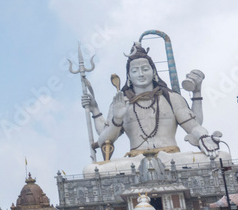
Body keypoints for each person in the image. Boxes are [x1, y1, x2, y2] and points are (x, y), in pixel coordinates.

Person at [81, 43, 219, 160]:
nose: (141, 74)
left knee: (220, 156)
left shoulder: (171, 97)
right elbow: (104, 140)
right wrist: (114, 117)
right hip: (136, 160)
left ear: (154, 72)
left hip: (171, 158)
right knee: (91, 170)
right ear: (128, 76)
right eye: (135, 71)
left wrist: (203, 137)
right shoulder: (121, 102)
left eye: (145, 69)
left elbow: (194, 126)